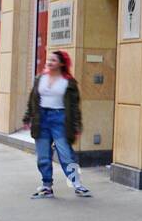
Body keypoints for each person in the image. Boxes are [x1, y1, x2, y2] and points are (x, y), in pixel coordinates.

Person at [23, 49, 91, 199]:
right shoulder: (40, 78)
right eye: (49, 59)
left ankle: (77, 184)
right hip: (41, 118)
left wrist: (77, 126)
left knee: (66, 154)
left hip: (60, 119)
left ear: (61, 63)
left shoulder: (68, 82)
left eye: (53, 60)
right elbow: (32, 100)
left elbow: (74, 106)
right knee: (43, 156)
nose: (49, 62)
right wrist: (27, 118)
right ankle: (46, 186)